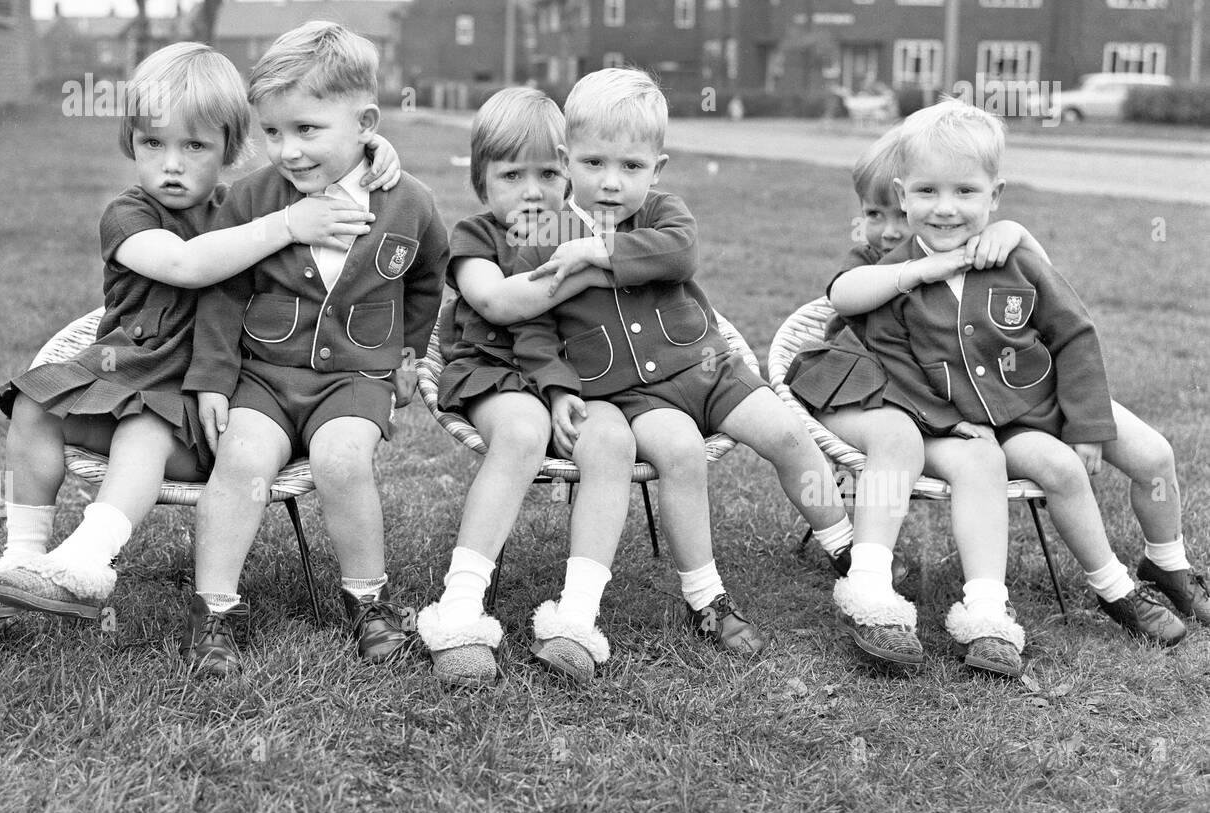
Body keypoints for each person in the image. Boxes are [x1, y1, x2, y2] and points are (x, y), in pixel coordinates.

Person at [0, 41, 396, 622]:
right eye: (152, 143)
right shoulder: (130, 213)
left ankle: (89, 559)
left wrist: (372, 151)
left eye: (195, 145)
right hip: (117, 377)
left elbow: (326, 156)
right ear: (130, 143)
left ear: (231, 149)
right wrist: (284, 225)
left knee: (145, 427)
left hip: (192, 406)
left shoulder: (243, 206)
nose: (172, 163)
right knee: (32, 405)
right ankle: (20, 561)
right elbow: (187, 264)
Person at [511, 68, 852, 657]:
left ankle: (845, 544)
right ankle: (707, 597)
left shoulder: (665, 214)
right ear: (565, 159)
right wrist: (557, 385)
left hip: (707, 368)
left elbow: (681, 253)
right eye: (593, 164)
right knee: (684, 456)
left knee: (789, 436)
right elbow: (533, 326)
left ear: (657, 168)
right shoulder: (544, 233)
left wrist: (600, 247)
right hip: (633, 396)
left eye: (632, 167)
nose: (612, 182)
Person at [861, 99, 1197, 648]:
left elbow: (1074, 333)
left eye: (965, 191)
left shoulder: (1012, 258)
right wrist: (948, 423)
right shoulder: (894, 277)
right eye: (927, 192)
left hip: (1056, 396)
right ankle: (1114, 588)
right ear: (902, 195)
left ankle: (1170, 565)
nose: (945, 208)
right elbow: (892, 364)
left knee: (1154, 454)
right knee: (1062, 469)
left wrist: (1087, 422)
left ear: (995, 195)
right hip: (999, 428)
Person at [179, 21, 448, 677]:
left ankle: (367, 602)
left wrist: (412, 354)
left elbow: (425, 280)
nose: (288, 150)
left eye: (307, 130)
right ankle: (216, 612)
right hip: (264, 377)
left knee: (342, 458)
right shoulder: (251, 200)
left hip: (354, 379)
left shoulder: (407, 203)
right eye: (272, 132)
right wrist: (213, 376)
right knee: (240, 460)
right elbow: (221, 291)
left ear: (365, 124)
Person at [786, 125, 1054, 675]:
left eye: (894, 212)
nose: (887, 230)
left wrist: (1015, 233)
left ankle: (986, 610)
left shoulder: (967, 255)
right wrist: (916, 270)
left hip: (932, 403)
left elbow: (1039, 290)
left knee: (985, 456)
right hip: (863, 387)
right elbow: (842, 291)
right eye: (876, 212)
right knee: (897, 438)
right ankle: (870, 587)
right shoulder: (887, 263)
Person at [416, 87, 637, 687]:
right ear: (482, 182)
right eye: (513, 174)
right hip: (494, 369)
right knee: (521, 430)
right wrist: (592, 267)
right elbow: (495, 302)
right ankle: (460, 606)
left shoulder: (584, 230)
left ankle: (576, 617)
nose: (534, 191)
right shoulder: (476, 235)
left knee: (613, 442)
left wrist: (603, 254)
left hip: (577, 377)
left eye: (549, 172)